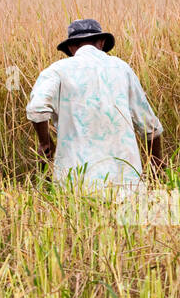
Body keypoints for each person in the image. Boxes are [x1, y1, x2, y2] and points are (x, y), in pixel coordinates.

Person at [26, 19, 164, 190]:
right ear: (102, 42)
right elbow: (150, 126)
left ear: (71, 47)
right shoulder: (122, 68)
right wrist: (157, 164)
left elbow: (37, 110)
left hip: (76, 185)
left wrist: (45, 143)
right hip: (125, 184)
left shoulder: (56, 70)